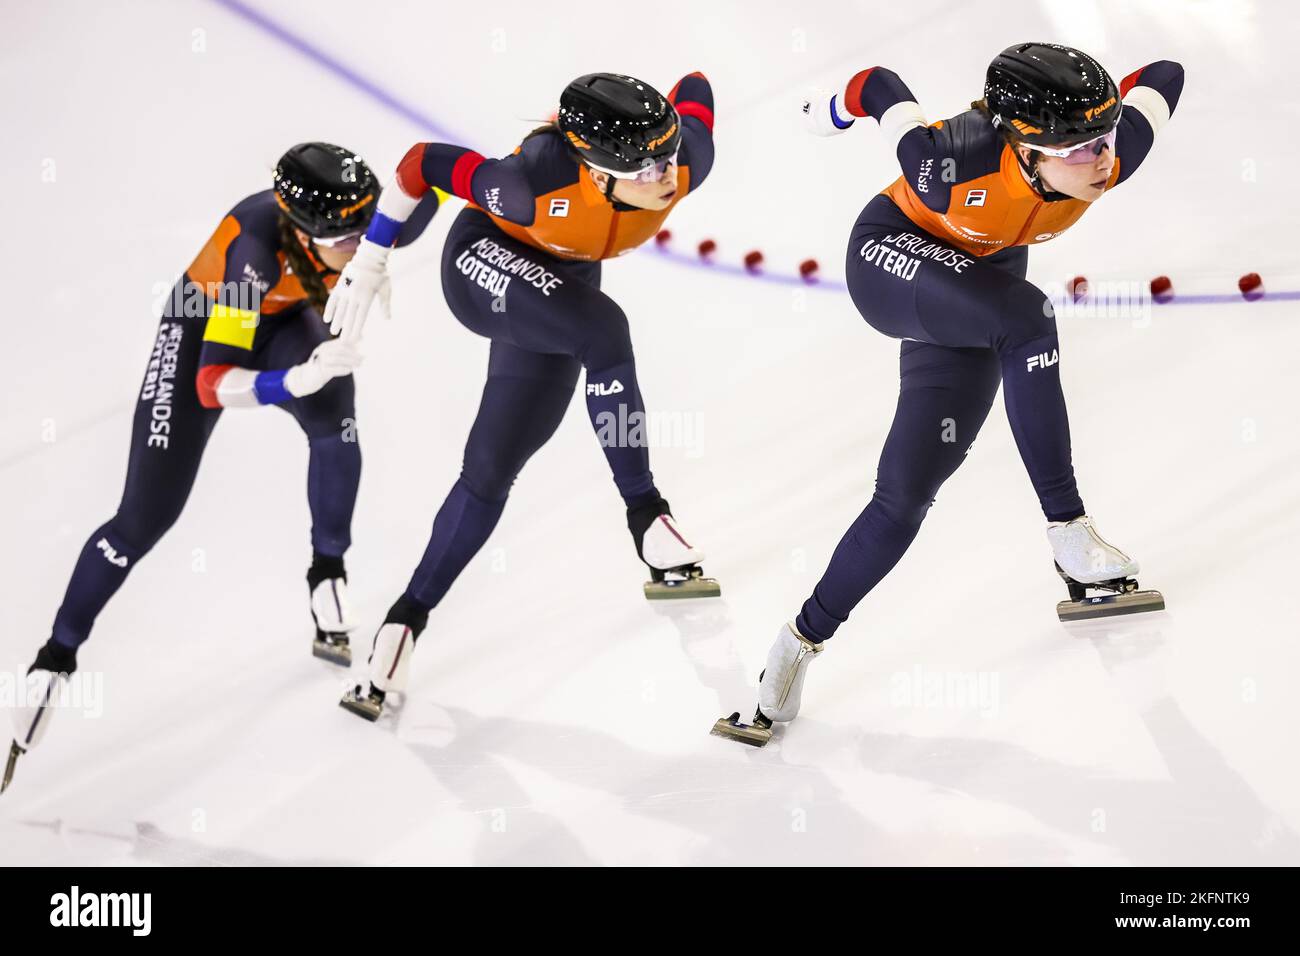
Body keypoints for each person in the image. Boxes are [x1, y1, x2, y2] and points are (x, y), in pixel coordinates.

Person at [715, 44, 1185, 746]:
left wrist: (1104, 106)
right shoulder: (947, 162)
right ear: (1023, 149)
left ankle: (794, 646)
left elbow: (1166, 75)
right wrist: (830, 115)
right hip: (892, 259)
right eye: (1081, 147)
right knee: (1028, 319)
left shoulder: (1113, 148)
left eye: (1107, 138)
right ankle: (1069, 531)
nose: (1103, 159)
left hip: (973, 295)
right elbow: (879, 83)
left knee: (905, 493)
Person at [4, 143, 437, 791]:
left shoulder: (361, 223)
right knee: (142, 521)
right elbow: (213, 385)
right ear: (303, 230)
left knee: (336, 422)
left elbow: (427, 176)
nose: (365, 241)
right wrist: (294, 377)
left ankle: (327, 571)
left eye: (368, 225)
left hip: (287, 314)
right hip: (202, 336)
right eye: (348, 236)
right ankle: (55, 657)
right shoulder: (252, 256)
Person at [324, 72, 718, 720]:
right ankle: (647, 516)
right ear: (594, 171)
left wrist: (676, 116)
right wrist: (369, 260)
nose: (666, 175)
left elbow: (696, 88)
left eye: (669, 153)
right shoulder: (527, 183)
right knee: (605, 329)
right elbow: (421, 164)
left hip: (559, 281)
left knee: (492, 468)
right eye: (644, 164)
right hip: (482, 263)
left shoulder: (685, 157)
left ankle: (402, 622)